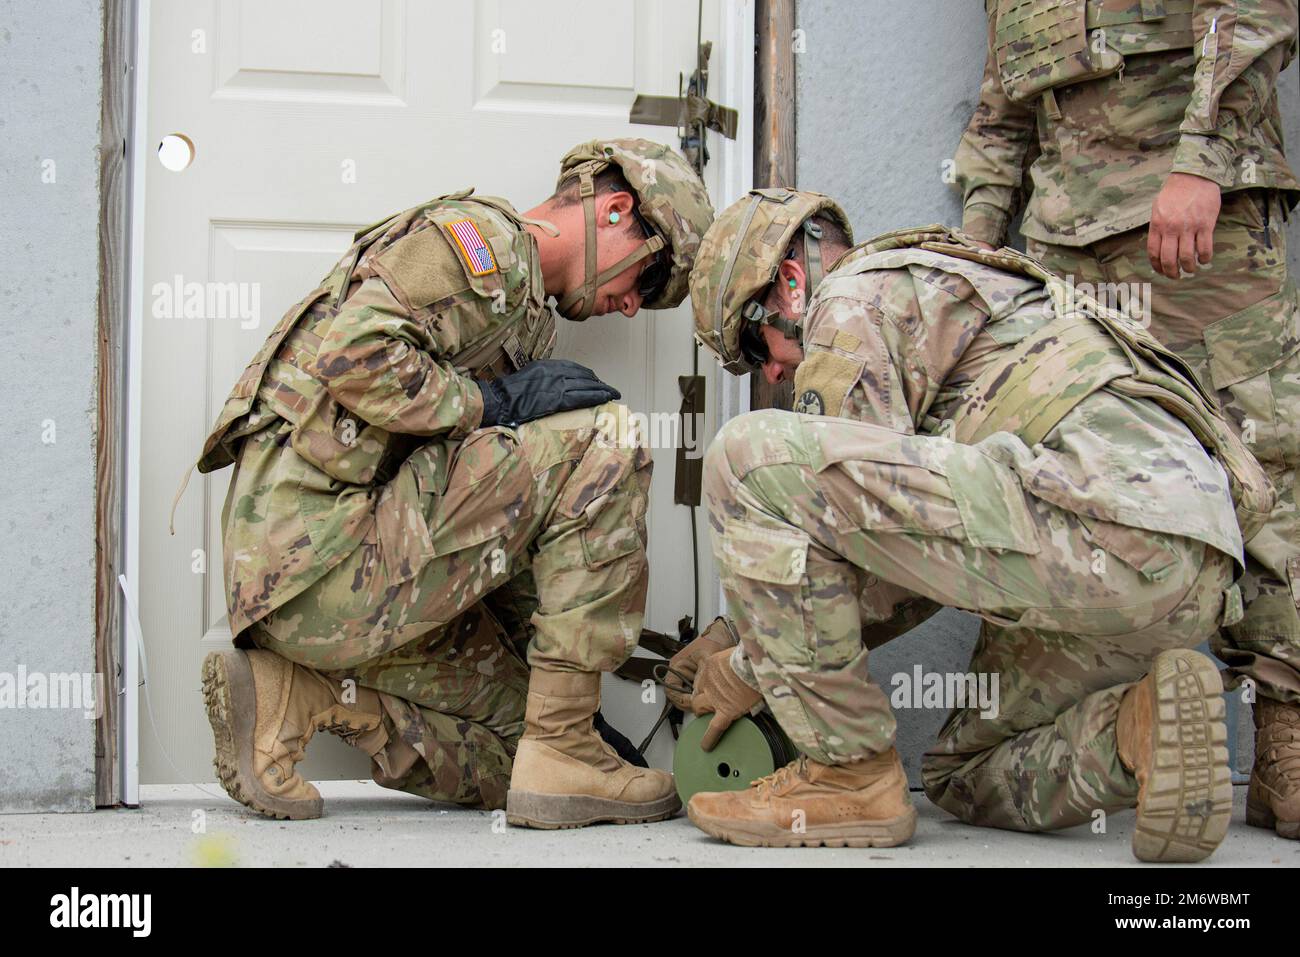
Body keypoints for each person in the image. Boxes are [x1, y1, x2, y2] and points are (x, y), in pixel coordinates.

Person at [677, 188, 1269, 861]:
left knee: (746, 456)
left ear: (790, 282)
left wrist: (748, 664)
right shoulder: (963, 285)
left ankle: (848, 775)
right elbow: (915, 548)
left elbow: (858, 553)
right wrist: (748, 642)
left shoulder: (847, 300)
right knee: (963, 775)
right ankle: (1136, 730)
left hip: (1095, 524)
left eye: (759, 347)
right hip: (1187, 569)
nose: (775, 372)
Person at [184, 138, 714, 828]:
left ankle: (297, 695)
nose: (631, 307)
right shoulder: (484, 245)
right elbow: (355, 351)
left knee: (520, 757)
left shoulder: (523, 318)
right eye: (646, 280)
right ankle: (564, 750)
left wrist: (570, 714)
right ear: (615, 211)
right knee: (608, 436)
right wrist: (491, 404)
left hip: (347, 585)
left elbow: (501, 518)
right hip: (319, 554)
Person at [954, 0, 1300, 838]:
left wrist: (1202, 165)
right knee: (1075, 478)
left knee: (1269, 468)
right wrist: (975, 251)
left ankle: (1285, 734)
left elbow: (1252, 14)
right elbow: (1004, 104)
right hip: (1061, 246)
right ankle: (1119, 723)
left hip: (1191, 220)